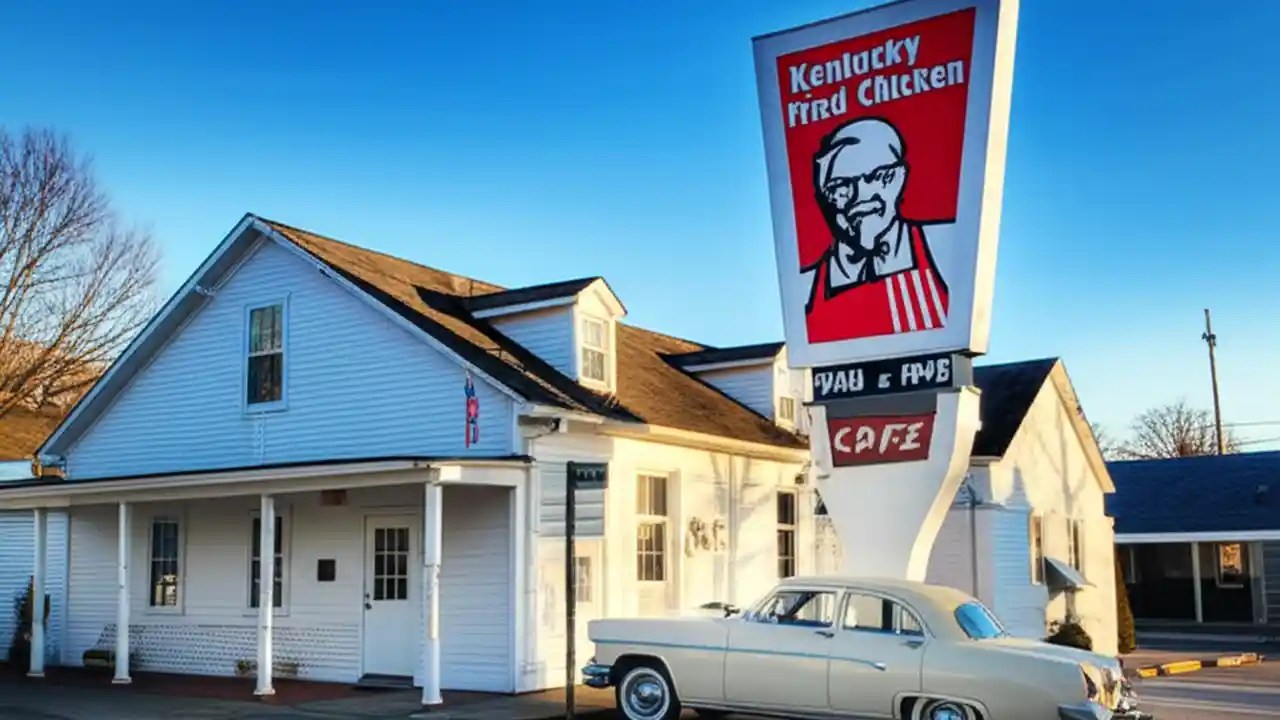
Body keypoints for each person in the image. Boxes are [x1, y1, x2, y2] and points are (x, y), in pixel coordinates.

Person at [801, 117, 952, 341]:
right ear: (825, 199)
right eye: (841, 187)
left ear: (899, 178)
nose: (861, 196)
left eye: (876, 177)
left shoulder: (943, 251)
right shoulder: (806, 288)